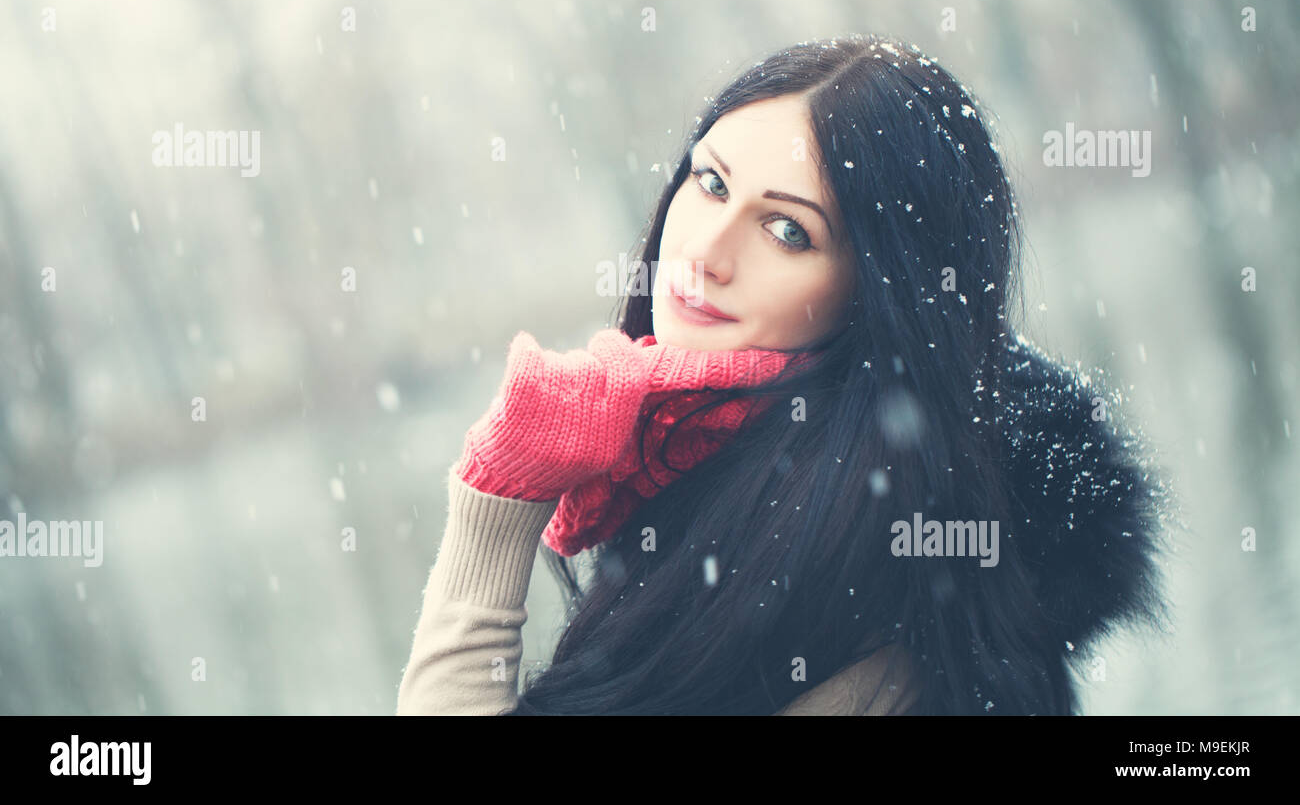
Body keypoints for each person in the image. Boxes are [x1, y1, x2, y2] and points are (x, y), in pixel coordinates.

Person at [396, 35, 1174, 715]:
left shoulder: (856, 564)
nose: (705, 252)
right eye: (710, 183)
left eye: (787, 230)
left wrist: (494, 500)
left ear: (879, 291)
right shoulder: (713, 455)